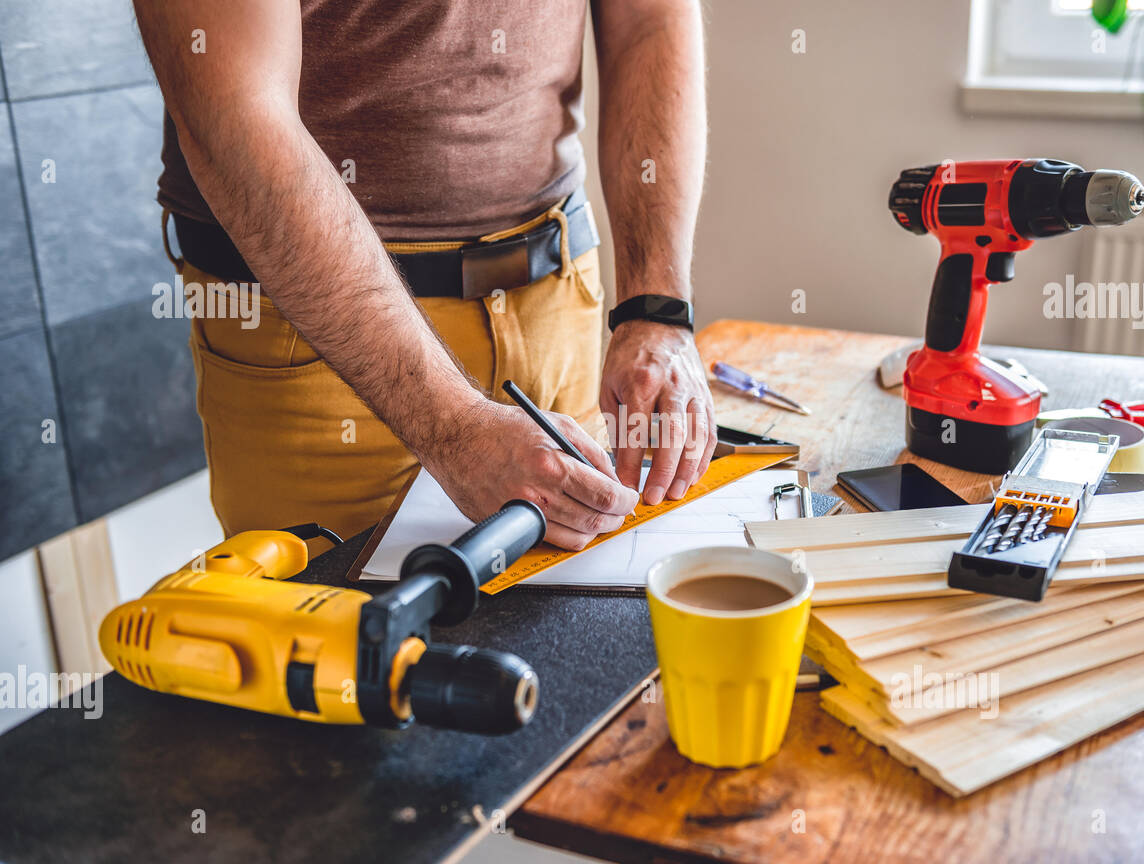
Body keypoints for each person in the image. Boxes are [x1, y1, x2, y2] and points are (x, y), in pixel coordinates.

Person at [135, 0, 716, 551]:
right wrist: (454, 429)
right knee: (352, 640)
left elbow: (649, 18)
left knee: (580, 635)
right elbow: (235, 118)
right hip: (318, 330)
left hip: (556, 296)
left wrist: (655, 308)